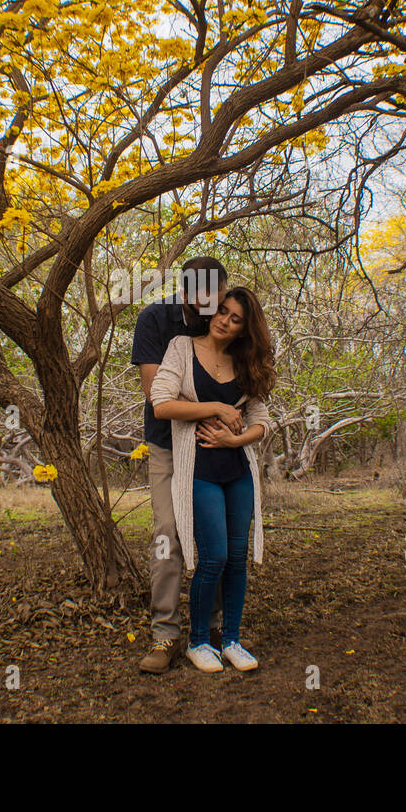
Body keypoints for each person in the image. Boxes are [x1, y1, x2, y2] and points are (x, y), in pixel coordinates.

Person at [150, 286, 276, 672]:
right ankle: (198, 641)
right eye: (222, 311)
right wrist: (218, 408)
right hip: (198, 470)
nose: (224, 320)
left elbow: (263, 420)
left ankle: (232, 639)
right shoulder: (181, 348)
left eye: (236, 318)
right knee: (214, 556)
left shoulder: (244, 362)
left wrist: (234, 438)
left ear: (244, 329)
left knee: (237, 558)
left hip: (237, 471)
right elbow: (161, 403)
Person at [131, 256, 238, 674]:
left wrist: (235, 428)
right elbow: (157, 397)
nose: (214, 308)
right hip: (167, 448)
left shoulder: (228, 320)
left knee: (216, 537)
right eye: (204, 298)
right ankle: (165, 634)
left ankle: (209, 632)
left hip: (216, 446)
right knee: (167, 534)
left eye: (221, 297)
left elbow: (248, 380)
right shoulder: (155, 320)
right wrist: (214, 407)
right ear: (187, 293)